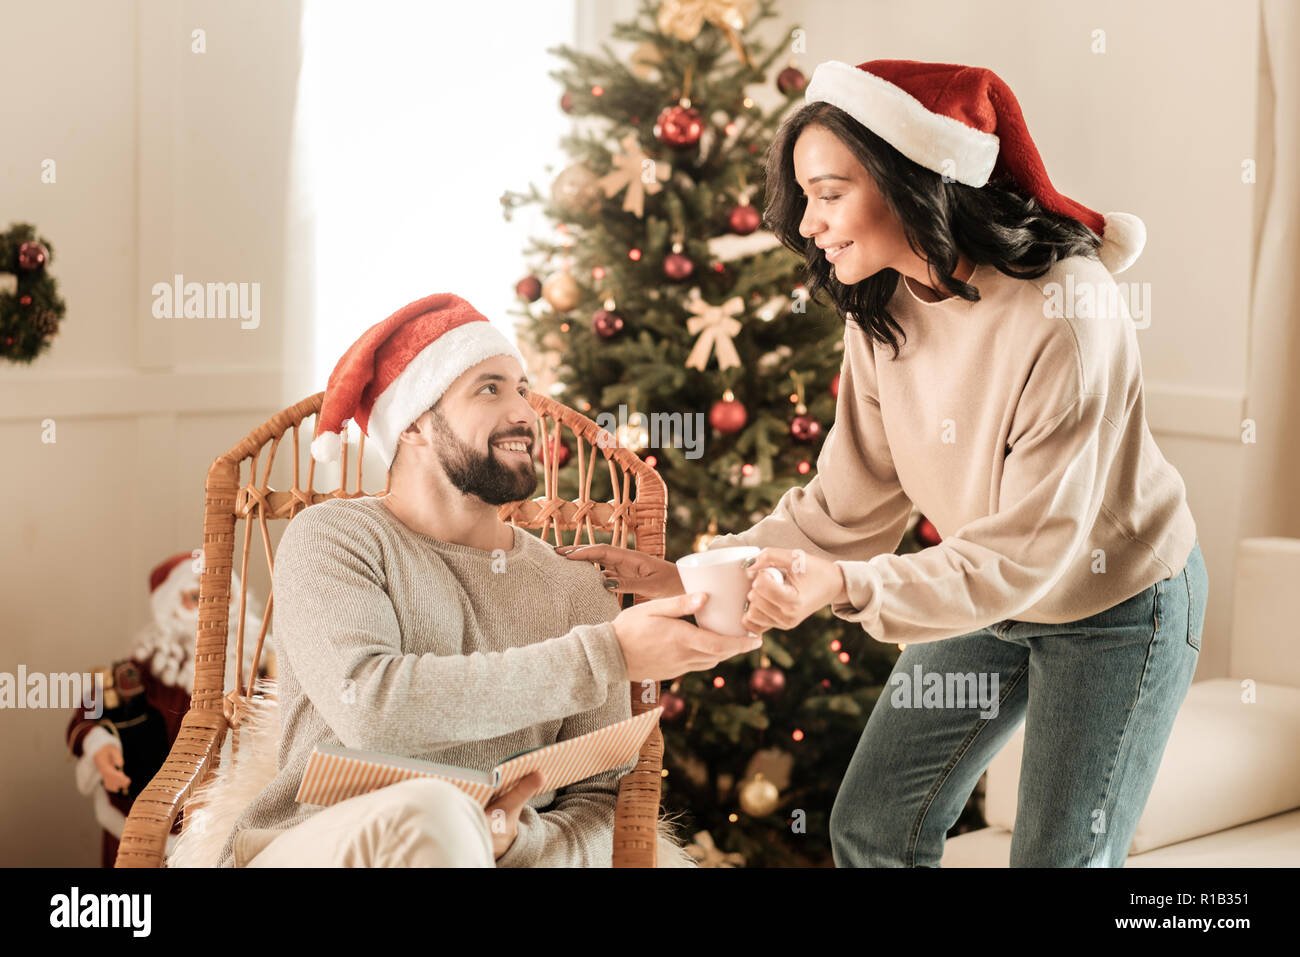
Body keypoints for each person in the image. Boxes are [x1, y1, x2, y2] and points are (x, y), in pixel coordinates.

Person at [559, 58, 1207, 868]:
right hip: (984, 586)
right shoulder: (880, 306)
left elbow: (1031, 551)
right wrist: (692, 575)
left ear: (914, 179)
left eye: (829, 194)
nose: (810, 223)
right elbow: (843, 508)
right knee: (872, 825)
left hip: (1114, 602)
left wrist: (847, 585)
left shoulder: (1067, 309)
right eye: (805, 199)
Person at [215, 293, 756, 868]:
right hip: (318, 849)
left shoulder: (571, 587)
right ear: (416, 424)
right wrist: (607, 655)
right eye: (490, 388)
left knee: (448, 826)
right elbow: (370, 709)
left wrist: (516, 840)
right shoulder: (335, 539)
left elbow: (605, 803)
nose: (525, 412)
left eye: (522, 389)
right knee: (434, 812)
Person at [67, 550, 272, 867]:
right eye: (195, 597)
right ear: (171, 609)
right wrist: (101, 746)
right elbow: (90, 712)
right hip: (153, 817)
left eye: (223, 596)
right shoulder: (145, 671)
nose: (212, 607)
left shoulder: (265, 664)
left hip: (238, 816)